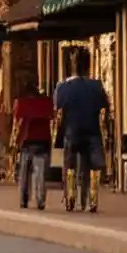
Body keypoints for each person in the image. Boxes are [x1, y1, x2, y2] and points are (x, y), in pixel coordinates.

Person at [55, 57, 109, 213]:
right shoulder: (96, 85)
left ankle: (70, 196)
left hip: (72, 129)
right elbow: (105, 107)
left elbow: (58, 108)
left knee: (69, 163)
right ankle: (92, 199)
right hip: (92, 129)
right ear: (88, 67)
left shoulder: (63, 87)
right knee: (92, 165)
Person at [11, 83, 53, 210]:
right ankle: (40, 199)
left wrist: (14, 142)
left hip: (26, 141)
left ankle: (24, 199)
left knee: (24, 172)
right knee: (40, 172)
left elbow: (17, 123)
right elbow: (52, 116)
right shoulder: (45, 103)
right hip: (42, 141)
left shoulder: (22, 103)